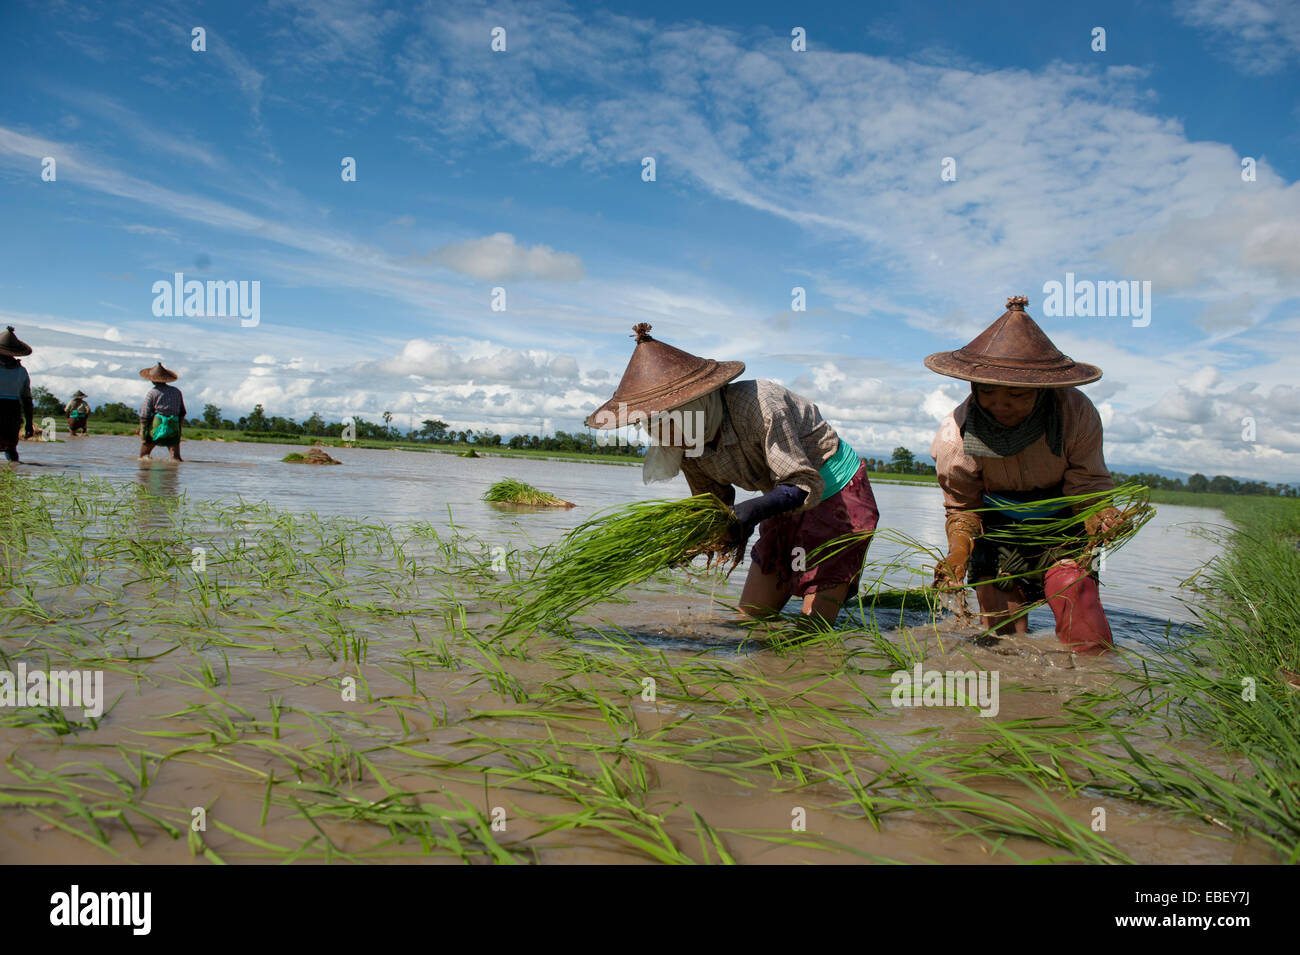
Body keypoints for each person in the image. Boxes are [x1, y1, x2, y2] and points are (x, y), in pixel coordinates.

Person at [587, 323, 879, 623]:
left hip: (835, 496)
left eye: (668, 420)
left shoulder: (760, 405)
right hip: (781, 501)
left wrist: (748, 512)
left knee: (812, 626)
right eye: (652, 423)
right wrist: (685, 544)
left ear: (694, 404)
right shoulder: (681, 442)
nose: (665, 435)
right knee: (749, 620)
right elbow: (714, 505)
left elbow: (802, 484)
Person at [925, 295, 1126, 653]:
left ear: (1041, 390)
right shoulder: (954, 437)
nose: (1000, 404)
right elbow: (963, 509)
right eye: (987, 392)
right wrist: (957, 556)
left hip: (1061, 522)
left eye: (1016, 394)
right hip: (997, 526)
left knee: (1076, 596)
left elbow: (1088, 486)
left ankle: (1095, 686)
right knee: (1003, 639)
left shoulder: (1075, 414)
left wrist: (1103, 516)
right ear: (973, 387)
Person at [0, 326, 35, 463]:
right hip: (12, 412)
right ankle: (14, 474)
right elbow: (27, 400)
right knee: (11, 448)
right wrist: (29, 424)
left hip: (10, 410)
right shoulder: (21, 371)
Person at [138, 362, 186, 461]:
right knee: (176, 458)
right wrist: (179, 429)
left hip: (157, 423)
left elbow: (145, 413)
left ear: (152, 380)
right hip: (173, 423)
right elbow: (182, 411)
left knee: (144, 455)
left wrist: (143, 430)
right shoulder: (176, 391)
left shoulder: (153, 392)